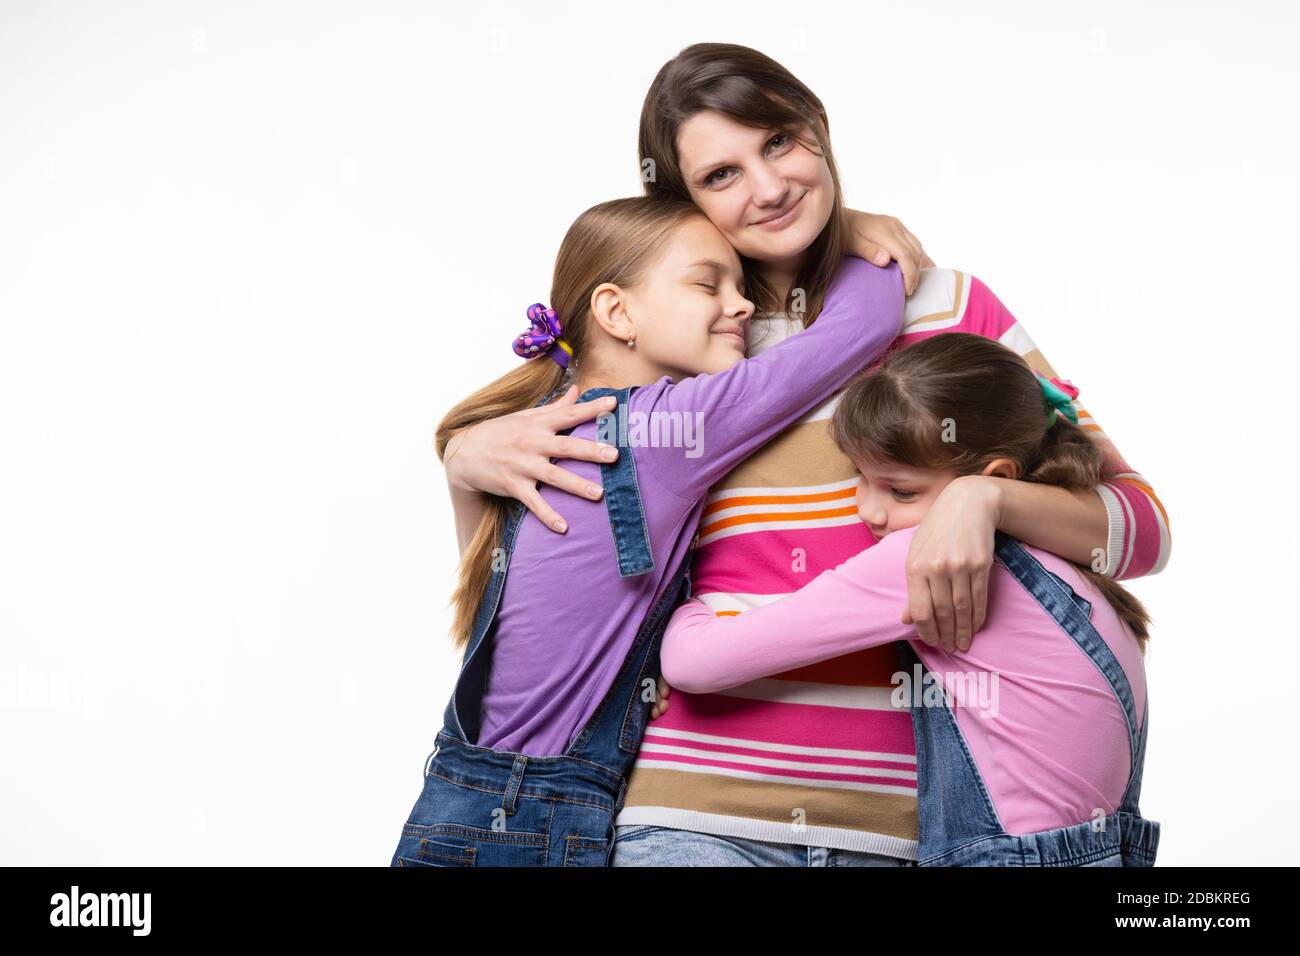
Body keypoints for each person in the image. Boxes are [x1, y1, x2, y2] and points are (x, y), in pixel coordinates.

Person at [442, 43, 1171, 866]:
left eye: (780, 141)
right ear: (678, 204)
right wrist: (467, 455)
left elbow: (1140, 532)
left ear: (819, 131)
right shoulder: (695, 340)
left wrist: (985, 500)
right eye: (721, 176)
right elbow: (561, 545)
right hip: (690, 816)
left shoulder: (948, 307)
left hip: (915, 827)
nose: (768, 186)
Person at [388, 196, 903, 866]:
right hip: (542, 817)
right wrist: (854, 234)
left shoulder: (543, 426)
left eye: (742, 287)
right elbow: (861, 329)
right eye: (706, 283)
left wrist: (459, 467)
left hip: (458, 803)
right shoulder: (664, 428)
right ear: (616, 311)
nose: (742, 305)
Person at [633, 332, 1158, 867]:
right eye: (860, 478)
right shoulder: (1065, 560)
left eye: (901, 490)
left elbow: (696, 663)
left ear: (994, 477)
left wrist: (689, 603)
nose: (870, 511)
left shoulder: (926, 560)